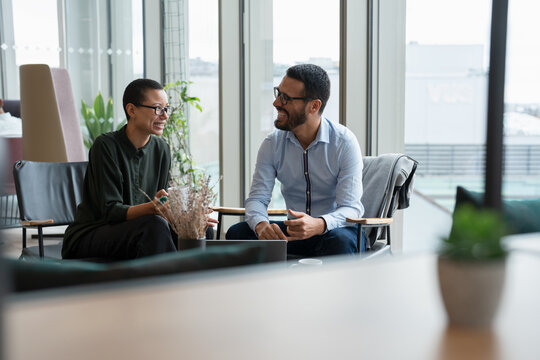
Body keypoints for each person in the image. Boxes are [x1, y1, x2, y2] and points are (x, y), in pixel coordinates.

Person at [62, 79, 215, 260]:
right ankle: (173, 283)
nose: (165, 116)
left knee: (199, 230)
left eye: (166, 109)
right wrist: (153, 208)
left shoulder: (161, 149)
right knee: (154, 226)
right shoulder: (105, 146)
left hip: (142, 229)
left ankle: (189, 282)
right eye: (158, 108)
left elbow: (162, 201)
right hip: (92, 234)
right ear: (132, 110)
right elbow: (110, 211)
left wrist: (187, 218)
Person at [226, 64, 366, 257]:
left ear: (314, 106)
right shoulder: (272, 143)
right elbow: (257, 199)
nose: (276, 103)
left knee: (340, 241)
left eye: (286, 98)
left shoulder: (344, 142)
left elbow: (351, 208)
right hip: (294, 233)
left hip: (334, 231)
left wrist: (319, 224)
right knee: (238, 233)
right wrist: (261, 225)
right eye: (278, 93)